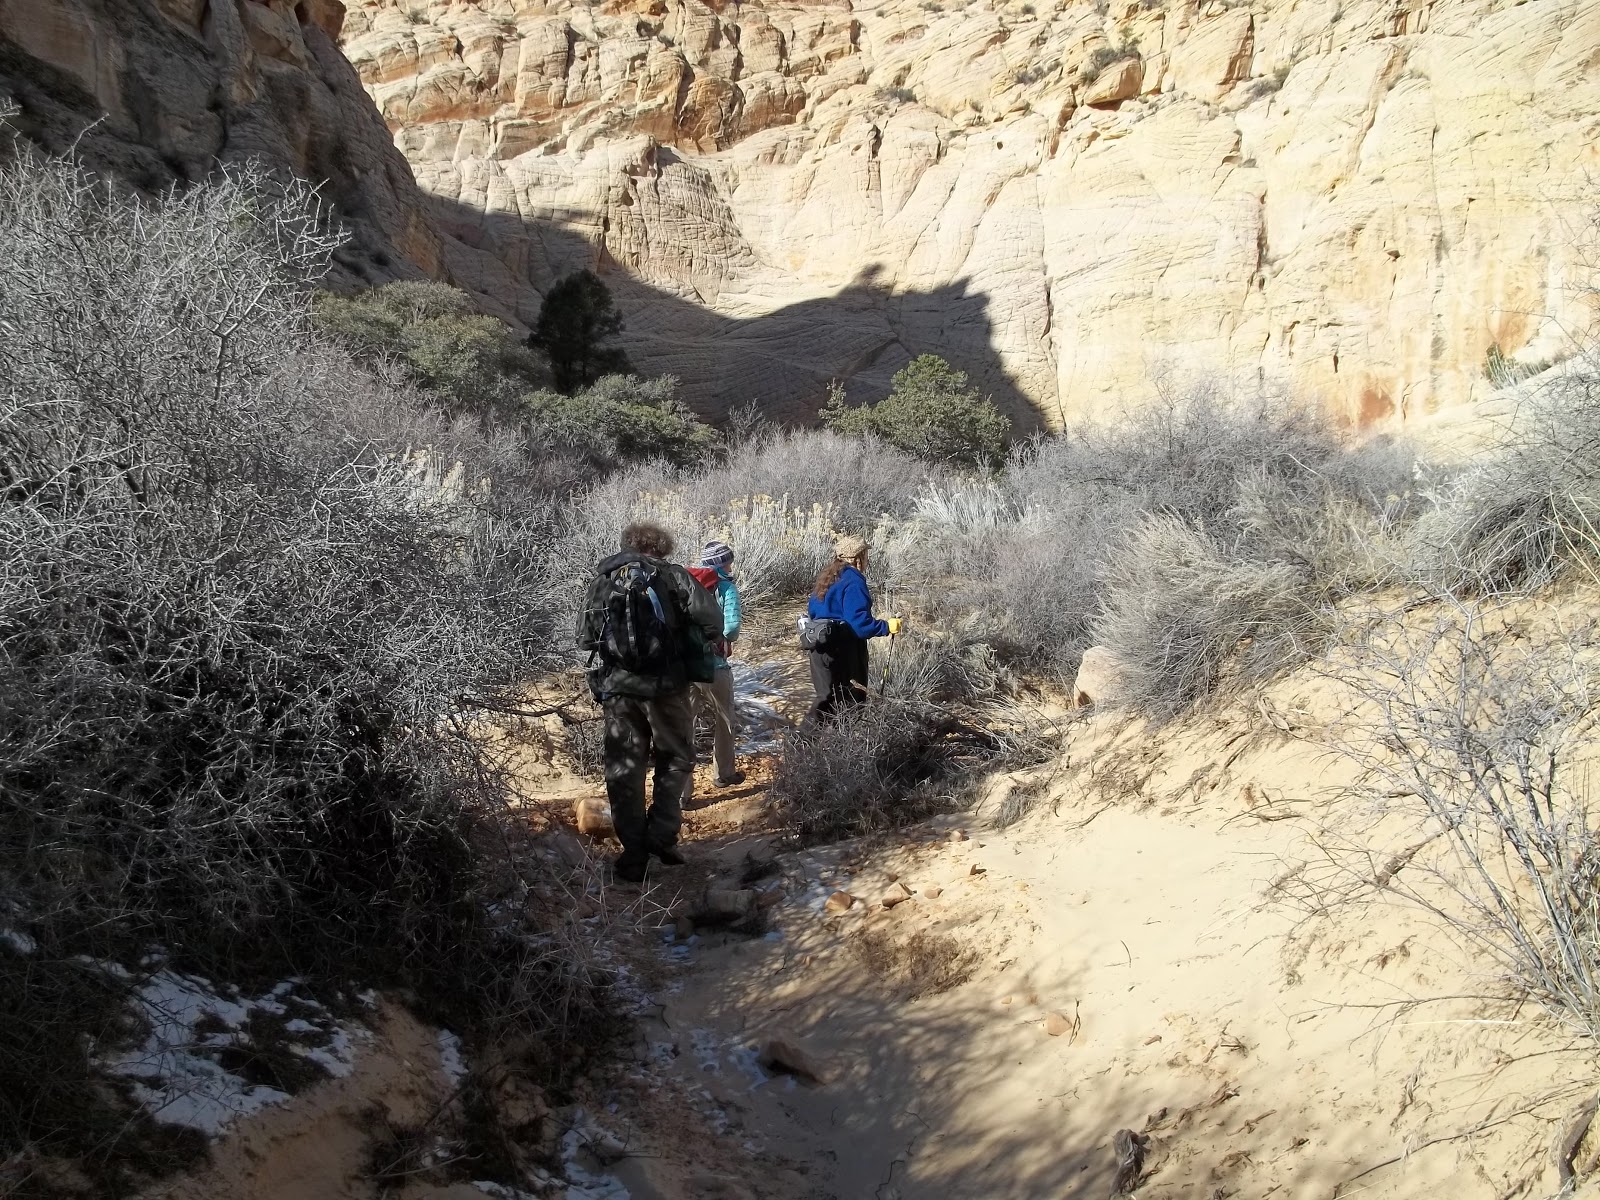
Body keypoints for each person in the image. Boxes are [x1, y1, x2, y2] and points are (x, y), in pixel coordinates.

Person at [577, 521, 723, 883]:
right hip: (667, 687)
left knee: (624, 768)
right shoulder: (674, 576)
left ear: (628, 545)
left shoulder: (604, 580)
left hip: (619, 691)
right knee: (676, 757)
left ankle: (634, 854)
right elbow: (712, 620)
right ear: (661, 547)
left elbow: (584, 637)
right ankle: (661, 833)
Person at [803, 535, 902, 726]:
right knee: (851, 702)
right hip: (844, 650)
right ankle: (848, 742)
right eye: (865, 554)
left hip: (818, 647)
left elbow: (813, 612)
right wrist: (886, 627)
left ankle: (802, 740)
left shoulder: (827, 577)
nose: (867, 559)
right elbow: (860, 625)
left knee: (825, 701)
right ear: (858, 557)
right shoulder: (854, 581)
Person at [687, 540, 745, 787]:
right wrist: (720, 641)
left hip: (685, 666)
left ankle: (682, 792)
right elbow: (732, 629)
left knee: (684, 725)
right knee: (724, 719)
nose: (731, 566)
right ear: (721, 564)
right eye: (728, 562)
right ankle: (724, 774)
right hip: (714, 667)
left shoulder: (686, 584)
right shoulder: (726, 588)